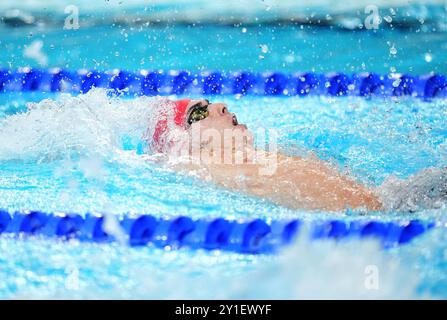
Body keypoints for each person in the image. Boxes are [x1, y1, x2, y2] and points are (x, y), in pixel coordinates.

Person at [146, 98, 447, 212]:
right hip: (394, 211)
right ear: (185, 141)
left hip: (396, 201)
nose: (221, 106)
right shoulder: (207, 167)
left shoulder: (252, 156)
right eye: (199, 111)